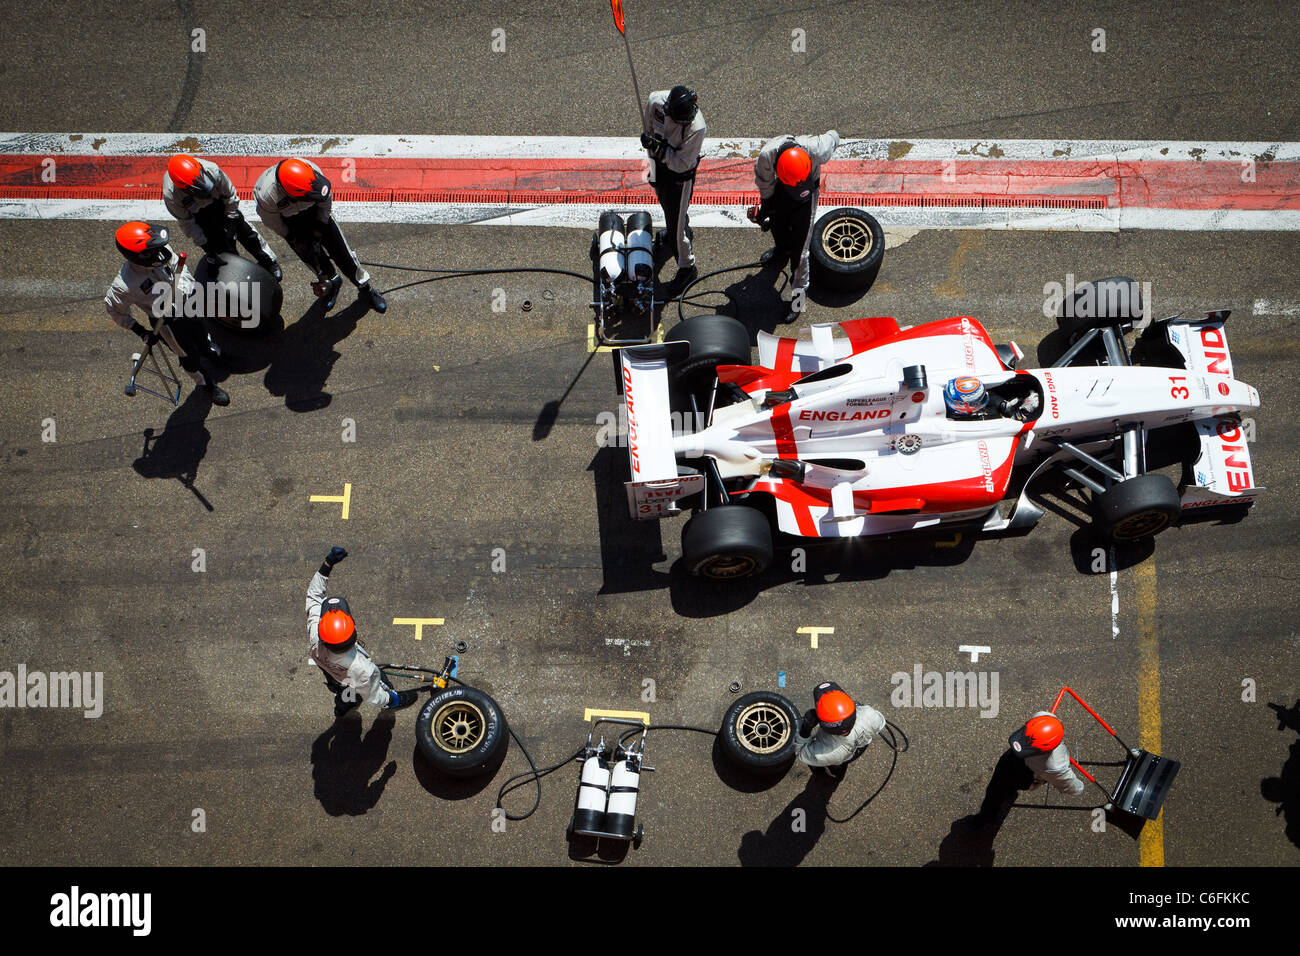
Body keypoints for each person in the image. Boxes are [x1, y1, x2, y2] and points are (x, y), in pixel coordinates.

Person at [105, 221, 229, 406]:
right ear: (137, 256)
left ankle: (211, 352)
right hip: (167, 324)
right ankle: (205, 383)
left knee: (203, 334)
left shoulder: (161, 252)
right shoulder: (125, 285)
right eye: (151, 251)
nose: (159, 252)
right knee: (188, 356)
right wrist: (140, 331)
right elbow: (114, 310)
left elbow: (182, 269)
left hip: (187, 305)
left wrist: (182, 291)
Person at [254, 158, 386, 314]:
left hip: (317, 215)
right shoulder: (267, 196)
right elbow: (274, 223)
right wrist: (293, 238)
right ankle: (331, 284)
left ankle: (365, 288)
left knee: (344, 255)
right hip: (292, 224)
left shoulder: (312, 172)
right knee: (314, 260)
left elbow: (325, 201)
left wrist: (319, 228)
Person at [307, 546, 418, 719]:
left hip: (334, 674)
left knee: (345, 689)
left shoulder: (316, 633)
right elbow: (375, 696)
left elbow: (314, 595)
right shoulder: (364, 670)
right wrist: (391, 699)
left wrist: (327, 564)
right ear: (353, 633)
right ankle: (395, 703)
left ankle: (343, 707)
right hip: (353, 675)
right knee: (379, 685)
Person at [747, 130, 840, 314]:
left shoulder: (818, 149)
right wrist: (766, 208)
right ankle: (781, 251)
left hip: (808, 193)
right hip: (782, 189)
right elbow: (765, 184)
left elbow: (834, 136)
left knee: (801, 253)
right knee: (777, 224)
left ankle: (799, 300)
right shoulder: (767, 157)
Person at [163, 154, 280, 278]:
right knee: (222, 251)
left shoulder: (212, 170)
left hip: (221, 205)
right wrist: (205, 245)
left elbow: (230, 195)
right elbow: (187, 223)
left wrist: (231, 219)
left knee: (247, 233)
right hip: (200, 218)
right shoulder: (172, 196)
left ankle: (269, 262)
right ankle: (238, 274)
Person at [965, 712, 1086, 831]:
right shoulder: (1042, 717)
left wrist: (1077, 786)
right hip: (1013, 762)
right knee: (1000, 787)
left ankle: (986, 819)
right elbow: (1073, 788)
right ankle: (1006, 796)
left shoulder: (1054, 766)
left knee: (995, 793)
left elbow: (1073, 786)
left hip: (1024, 775)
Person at [641, 85, 706, 290]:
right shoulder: (656, 102)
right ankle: (675, 229)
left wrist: (658, 150)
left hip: (681, 177)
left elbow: (681, 164)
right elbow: (649, 130)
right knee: (666, 205)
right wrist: (652, 166)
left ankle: (687, 267)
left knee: (677, 226)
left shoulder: (697, 127)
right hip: (661, 166)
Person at [794, 681, 887, 779]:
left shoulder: (825, 753)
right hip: (860, 745)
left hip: (838, 757)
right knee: (842, 764)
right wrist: (858, 706)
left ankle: (832, 776)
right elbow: (881, 723)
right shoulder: (870, 714)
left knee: (835, 768)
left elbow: (800, 752)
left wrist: (806, 729)